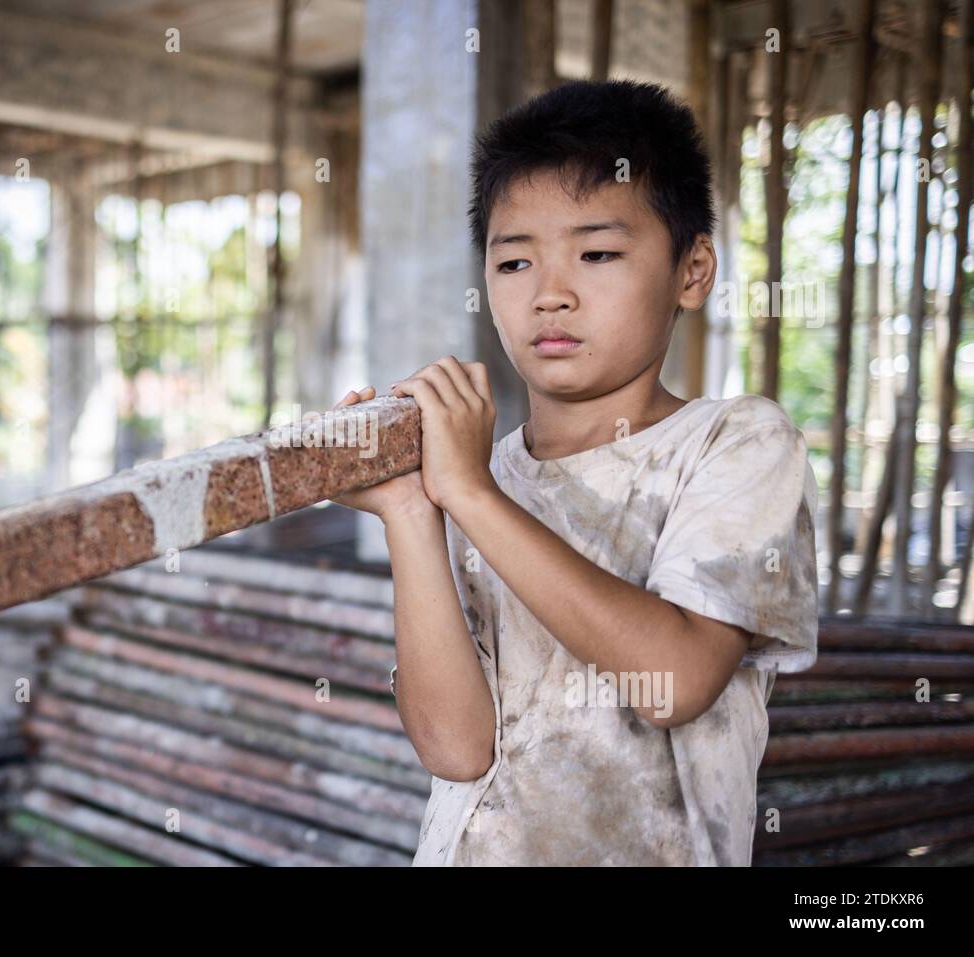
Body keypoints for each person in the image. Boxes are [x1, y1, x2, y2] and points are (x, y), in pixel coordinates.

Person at [330, 78, 819, 866]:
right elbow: (457, 749)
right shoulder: (479, 484)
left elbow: (676, 678)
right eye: (515, 261)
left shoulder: (736, 443)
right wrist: (411, 512)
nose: (550, 295)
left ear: (692, 271)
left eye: (596, 253)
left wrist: (467, 492)